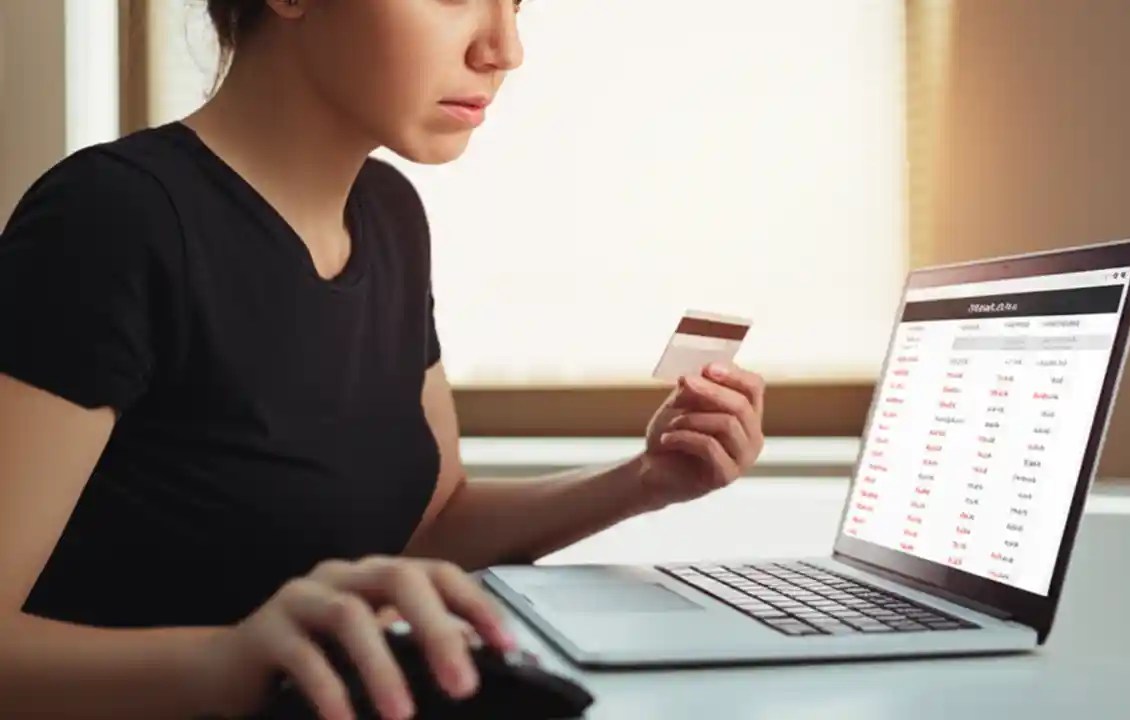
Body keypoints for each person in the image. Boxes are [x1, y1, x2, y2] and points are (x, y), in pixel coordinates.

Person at [0, 1, 768, 718]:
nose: (505, 50)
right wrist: (234, 664)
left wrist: (642, 481)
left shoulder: (390, 214)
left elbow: (430, 525)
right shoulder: (110, 222)